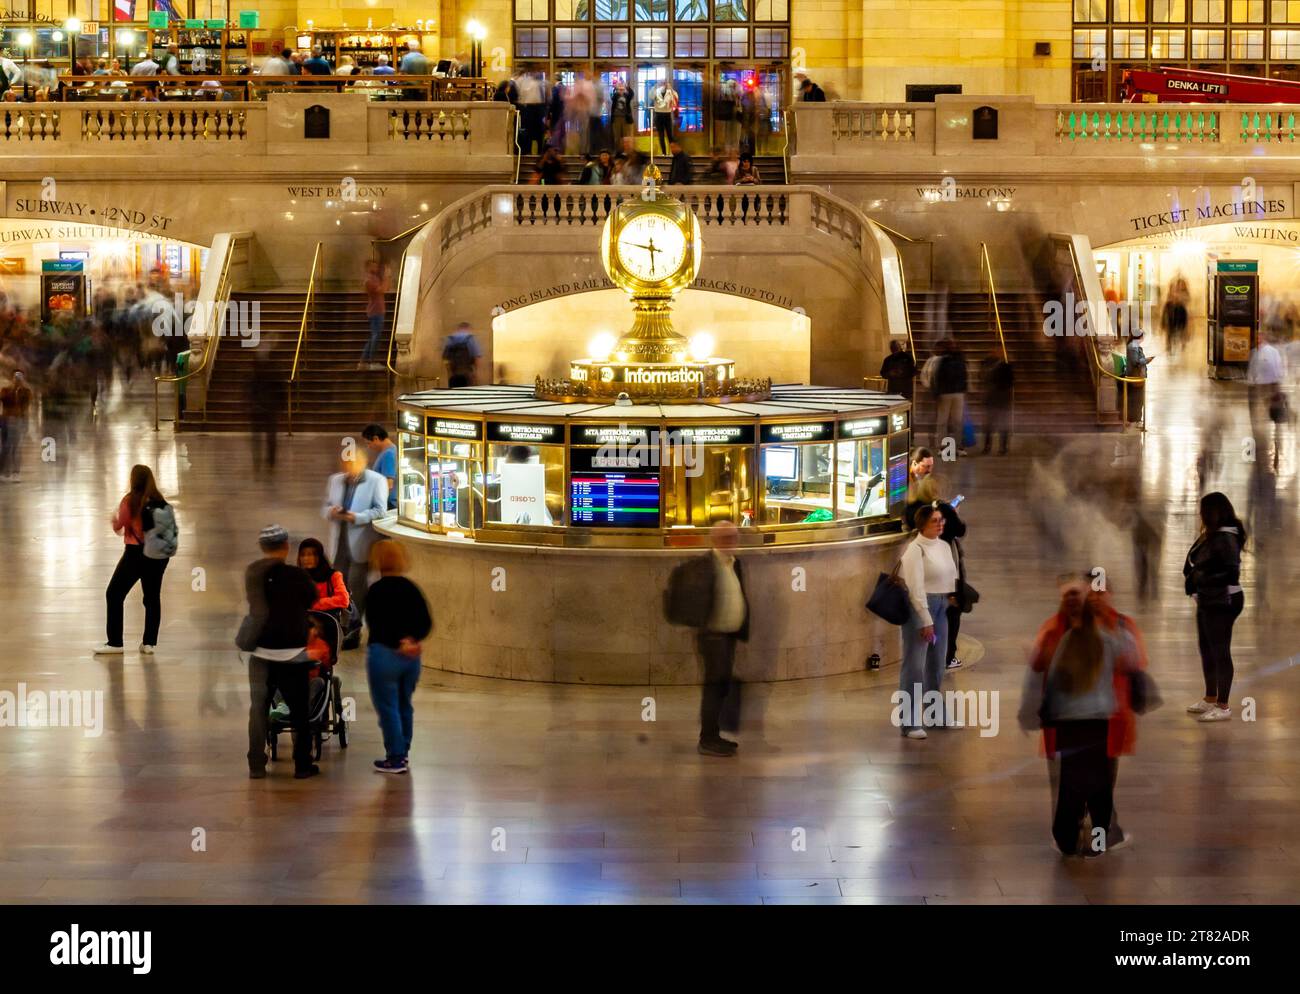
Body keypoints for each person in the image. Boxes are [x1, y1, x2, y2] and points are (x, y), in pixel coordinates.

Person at [666, 521, 749, 757]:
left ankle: (715, 735)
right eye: (726, 538)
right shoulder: (705, 566)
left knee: (721, 687)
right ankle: (708, 738)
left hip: (729, 635)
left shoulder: (735, 564)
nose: (732, 542)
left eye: (734, 537)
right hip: (713, 638)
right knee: (714, 687)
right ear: (715, 540)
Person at [244, 525, 320, 780]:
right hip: (292, 654)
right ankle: (302, 765)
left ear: (262, 547)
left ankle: (256, 764)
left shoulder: (253, 572)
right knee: (299, 711)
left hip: (261, 652)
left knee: (258, 709)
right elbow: (311, 599)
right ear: (286, 546)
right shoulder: (297, 576)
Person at [364, 540, 433, 773]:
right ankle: (403, 751)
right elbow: (426, 621)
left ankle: (395, 756)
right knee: (405, 704)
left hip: (384, 656)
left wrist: (397, 642)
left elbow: (376, 623)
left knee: (387, 707)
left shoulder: (375, 591)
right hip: (411, 659)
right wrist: (411, 640)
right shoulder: (411, 589)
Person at [95, 465, 171, 655]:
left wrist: (114, 519)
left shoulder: (130, 501)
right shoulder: (160, 501)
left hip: (135, 554)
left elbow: (119, 527)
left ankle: (115, 642)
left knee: (114, 594)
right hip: (159, 556)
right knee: (152, 597)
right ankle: (149, 643)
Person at [1183, 492, 1246, 723]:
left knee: (1220, 651)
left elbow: (1230, 572)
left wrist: (1203, 580)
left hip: (1223, 601)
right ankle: (1210, 697)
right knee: (1206, 648)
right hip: (1208, 599)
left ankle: (1223, 705)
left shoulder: (1226, 538)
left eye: (1203, 512)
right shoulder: (1213, 535)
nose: (1200, 516)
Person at [897, 504, 958, 739]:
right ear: (922, 524)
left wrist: (952, 598)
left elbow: (951, 575)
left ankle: (934, 715)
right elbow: (915, 588)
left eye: (941, 520)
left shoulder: (943, 546)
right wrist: (925, 620)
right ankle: (909, 722)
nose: (940, 524)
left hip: (942, 606)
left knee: (936, 664)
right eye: (935, 521)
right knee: (914, 665)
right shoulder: (915, 550)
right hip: (922, 608)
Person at [322, 451, 389, 621]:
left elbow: (381, 510)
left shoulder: (376, 481)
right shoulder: (335, 480)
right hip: (340, 543)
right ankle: (340, 621)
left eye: (352, 463)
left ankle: (355, 625)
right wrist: (332, 512)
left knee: (356, 584)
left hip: (361, 542)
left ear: (363, 463)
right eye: (345, 463)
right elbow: (325, 507)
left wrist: (357, 517)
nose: (348, 467)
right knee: (339, 584)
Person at [932, 338, 969, 455]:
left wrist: (937, 393)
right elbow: (964, 375)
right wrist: (964, 389)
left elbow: (938, 377)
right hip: (958, 393)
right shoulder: (961, 359)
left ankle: (943, 447)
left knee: (943, 421)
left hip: (945, 393)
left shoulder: (943, 360)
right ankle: (959, 447)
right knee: (957, 421)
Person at [297, 537, 350, 613]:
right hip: (304, 620)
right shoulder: (298, 576)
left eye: (311, 554)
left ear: (319, 556)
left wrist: (313, 604)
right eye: (303, 555)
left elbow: (343, 600)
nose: (306, 558)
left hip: (328, 619)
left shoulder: (333, 575)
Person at [0, 369, 33, 481]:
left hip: (17, 420)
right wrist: (13, 390)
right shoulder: (6, 390)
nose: (18, 380)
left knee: (15, 447)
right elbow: (4, 400)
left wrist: (26, 424)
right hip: (5, 420)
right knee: (5, 447)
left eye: (20, 378)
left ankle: (15, 472)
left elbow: (25, 407)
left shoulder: (26, 391)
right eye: (16, 377)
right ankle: (4, 472)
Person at [980, 348, 1014, 455]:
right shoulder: (987, 366)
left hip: (1001, 399)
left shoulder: (1005, 367)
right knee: (989, 425)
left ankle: (1002, 447)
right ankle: (988, 446)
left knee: (1002, 425)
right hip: (993, 399)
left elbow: (1010, 381)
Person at [359, 259, 389, 369]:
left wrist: (385, 278)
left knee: (374, 336)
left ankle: (363, 362)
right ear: (368, 267)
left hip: (379, 310)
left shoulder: (375, 278)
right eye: (373, 266)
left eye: (376, 266)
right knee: (375, 336)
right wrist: (386, 276)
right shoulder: (368, 280)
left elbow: (386, 288)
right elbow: (382, 290)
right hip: (375, 311)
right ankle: (371, 362)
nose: (376, 268)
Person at [363, 422, 398, 511]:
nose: (369, 447)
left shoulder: (388, 454)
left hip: (388, 504)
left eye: (368, 443)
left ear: (376, 438)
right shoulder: (387, 451)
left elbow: (388, 483)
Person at [443, 321, 482, 387]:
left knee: (455, 395)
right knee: (467, 395)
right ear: (467, 328)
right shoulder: (470, 339)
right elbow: (476, 358)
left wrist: (449, 372)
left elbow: (445, 359)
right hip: (467, 375)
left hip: (454, 375)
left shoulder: (450, 339)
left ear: (458, 328)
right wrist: (476, 374)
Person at [651, 79, 678, 156]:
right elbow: (651, 96)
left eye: (665, 83)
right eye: (662, 82)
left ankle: (673, 152)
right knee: (661, 135)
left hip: (667, 114)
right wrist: (655, 86)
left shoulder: (670, 91)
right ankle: (664, 153)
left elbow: (676, 99)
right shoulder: (656, 90)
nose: (663, 84)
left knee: (670, 135)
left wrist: (671, 89)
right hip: (658, 114)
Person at [609, 78, 635, 150]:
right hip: (616, 118)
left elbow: (632, 94)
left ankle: (625, 152)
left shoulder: (627, 96)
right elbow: (611, 96)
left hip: (625, 118)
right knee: (616, 137)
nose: (621, 89)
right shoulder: (615, 95)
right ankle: (617, 152)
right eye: (619, 88)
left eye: (622, 88)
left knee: (625, 137)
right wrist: (615, 88)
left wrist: (627, 87)